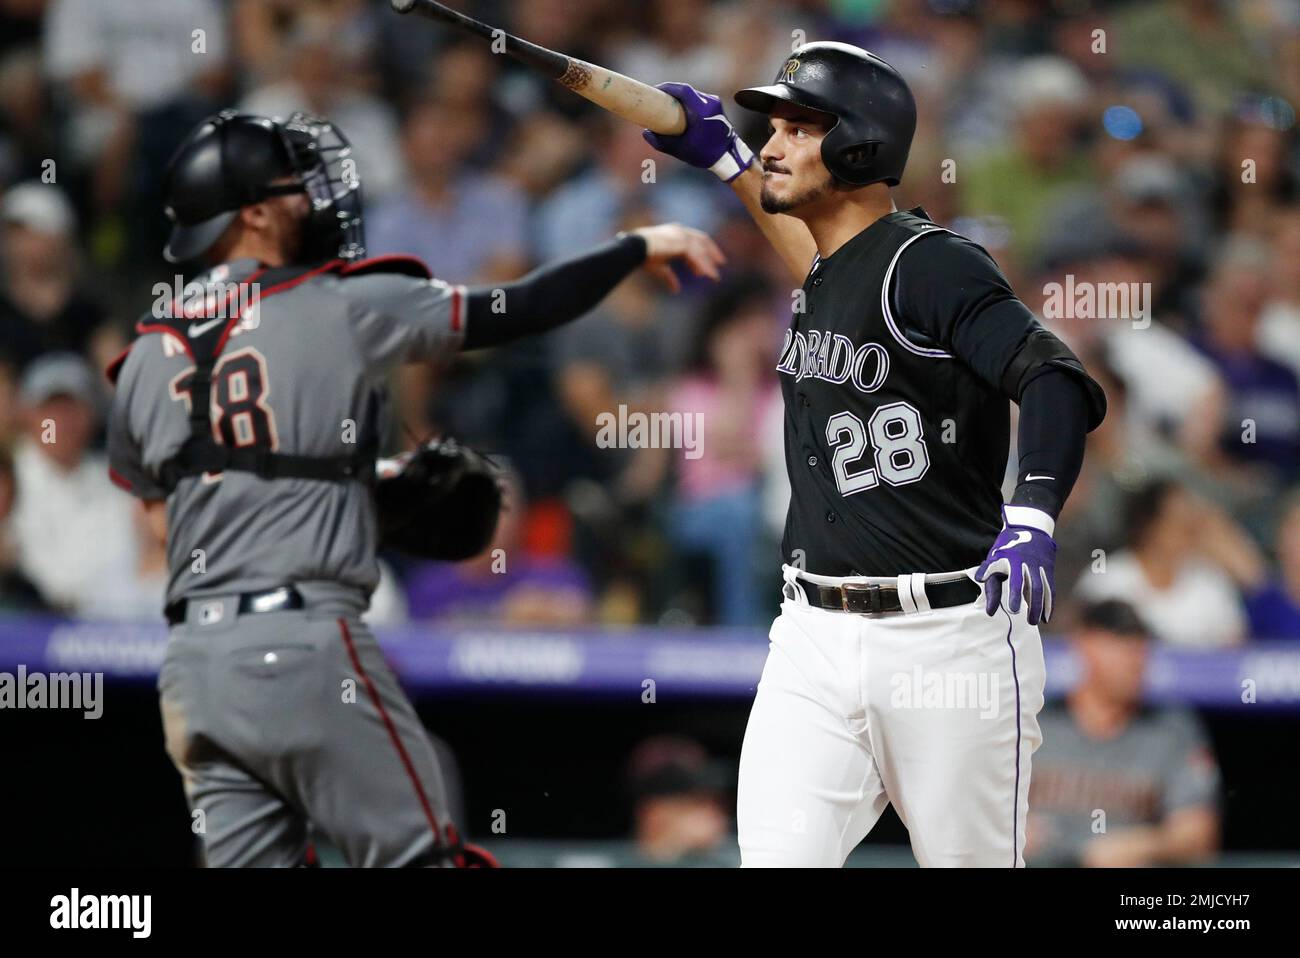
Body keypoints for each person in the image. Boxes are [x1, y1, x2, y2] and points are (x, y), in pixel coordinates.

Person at [106, 109, 723, 867]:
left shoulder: (143, 352)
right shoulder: (338, 304)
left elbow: (161, 522)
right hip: (305, 643)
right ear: (255, 213)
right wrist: (632, 247)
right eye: (294, 189)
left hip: (195, 667)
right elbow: (514, 308)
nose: (314, 200)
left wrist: (325, 498)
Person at [643, 42, 1105, 867]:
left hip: (948, 637)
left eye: (798, 127)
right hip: (811, 637)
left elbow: (1054, 378)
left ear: (860, 146)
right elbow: (825, 266)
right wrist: (726, 158)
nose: (774, 144)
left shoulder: (934, 265)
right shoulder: (836, 270)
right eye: (770, 128)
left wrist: (1032, 509)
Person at [1026, 599, 1221, 867]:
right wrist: (1005, 829)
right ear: (1084, 645)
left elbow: (1198, 835)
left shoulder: (1171, 729)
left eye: (1140, 647)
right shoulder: (1037, 719)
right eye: (1122, 645)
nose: (1136, 660)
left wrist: (1144, 845)